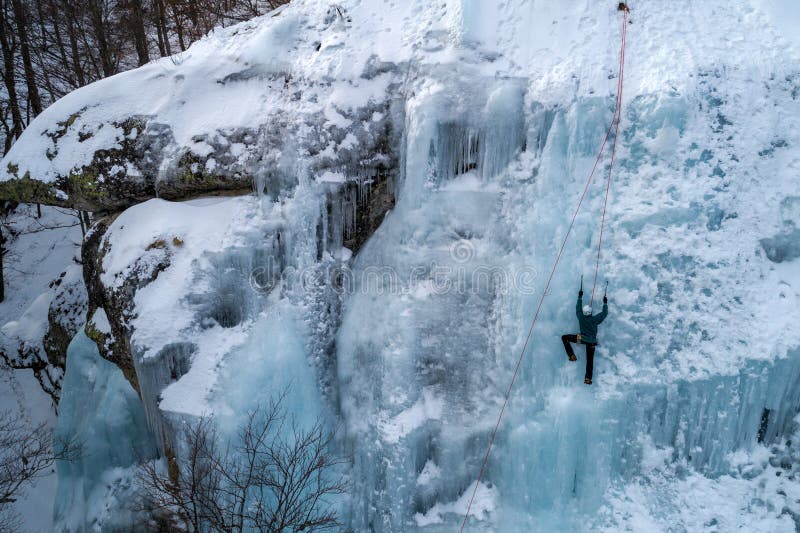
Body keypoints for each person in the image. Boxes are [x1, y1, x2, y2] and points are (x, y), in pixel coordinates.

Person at [561, 287, 608, 385]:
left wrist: (580, 297)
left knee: (565, 338)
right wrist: (605, 303)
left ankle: (572, 356)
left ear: (584, 312)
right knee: (589, 361)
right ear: (590, 312)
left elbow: (578, 309)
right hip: (591, 343)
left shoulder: (581, 317)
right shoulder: (595, 319)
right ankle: (588, 379)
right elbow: (604, 314)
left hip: (581, 339)